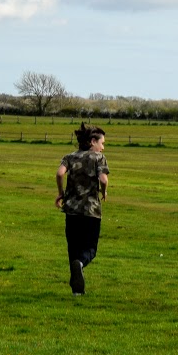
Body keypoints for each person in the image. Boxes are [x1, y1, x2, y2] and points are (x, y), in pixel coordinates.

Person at [56, 123, 109, 295]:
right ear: (93, 141)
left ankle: (77, 291)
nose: (103, 147)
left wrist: (60, 193)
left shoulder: (69, 157)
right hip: (91, 211)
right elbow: (103, 179)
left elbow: (59, 173)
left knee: (73, 248)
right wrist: (104, 192)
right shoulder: (98, 158)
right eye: (102, 143)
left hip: (71, 209)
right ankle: (81, 264)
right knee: (90, 249)